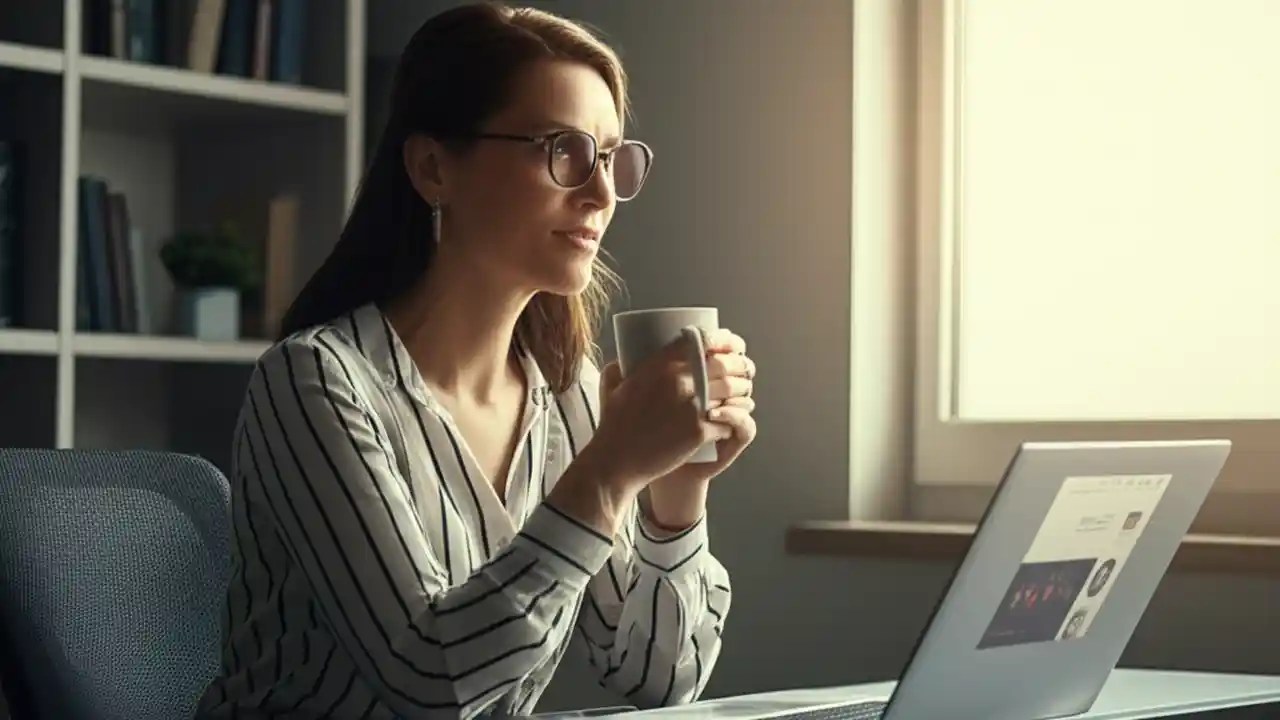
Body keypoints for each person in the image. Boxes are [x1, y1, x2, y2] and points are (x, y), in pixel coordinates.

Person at [194, 3, 757, 719]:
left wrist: (675, 496)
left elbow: (653, 679)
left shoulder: (572, 396)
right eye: (564, 149)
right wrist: (610, 472)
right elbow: (426, 681)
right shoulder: (317, 382)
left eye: (612, 158)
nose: (601, 192)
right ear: (433, 168)